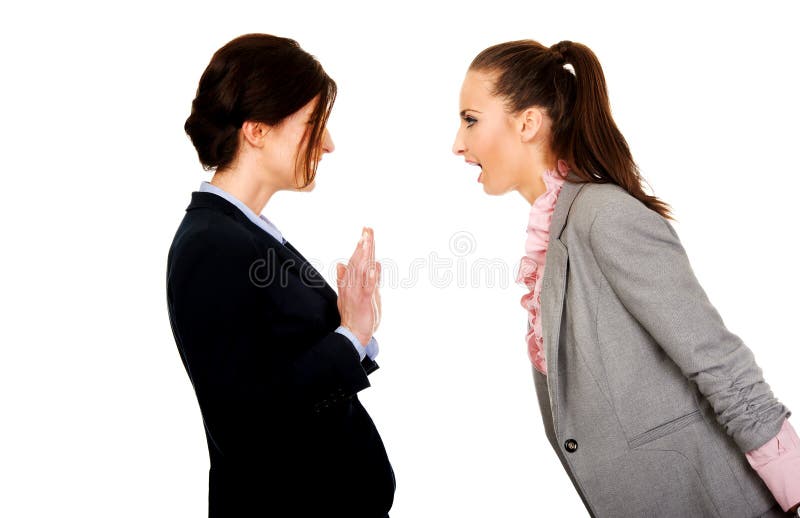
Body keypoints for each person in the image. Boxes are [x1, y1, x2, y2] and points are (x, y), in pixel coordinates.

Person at [452, 39, 799, 517]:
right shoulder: (557, 232)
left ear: (527, 123)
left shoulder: (604, 216)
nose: (458, 143)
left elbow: (718, 361)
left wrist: (796, 488)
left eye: (471, 119)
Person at [166, 33, 394, 517]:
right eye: (315, 124)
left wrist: (354, 328)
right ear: (256, 130)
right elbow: (243, 428)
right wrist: (350, 336)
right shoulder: (213, 245)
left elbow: (283, 375)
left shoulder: (248, 233)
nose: (328, 144)